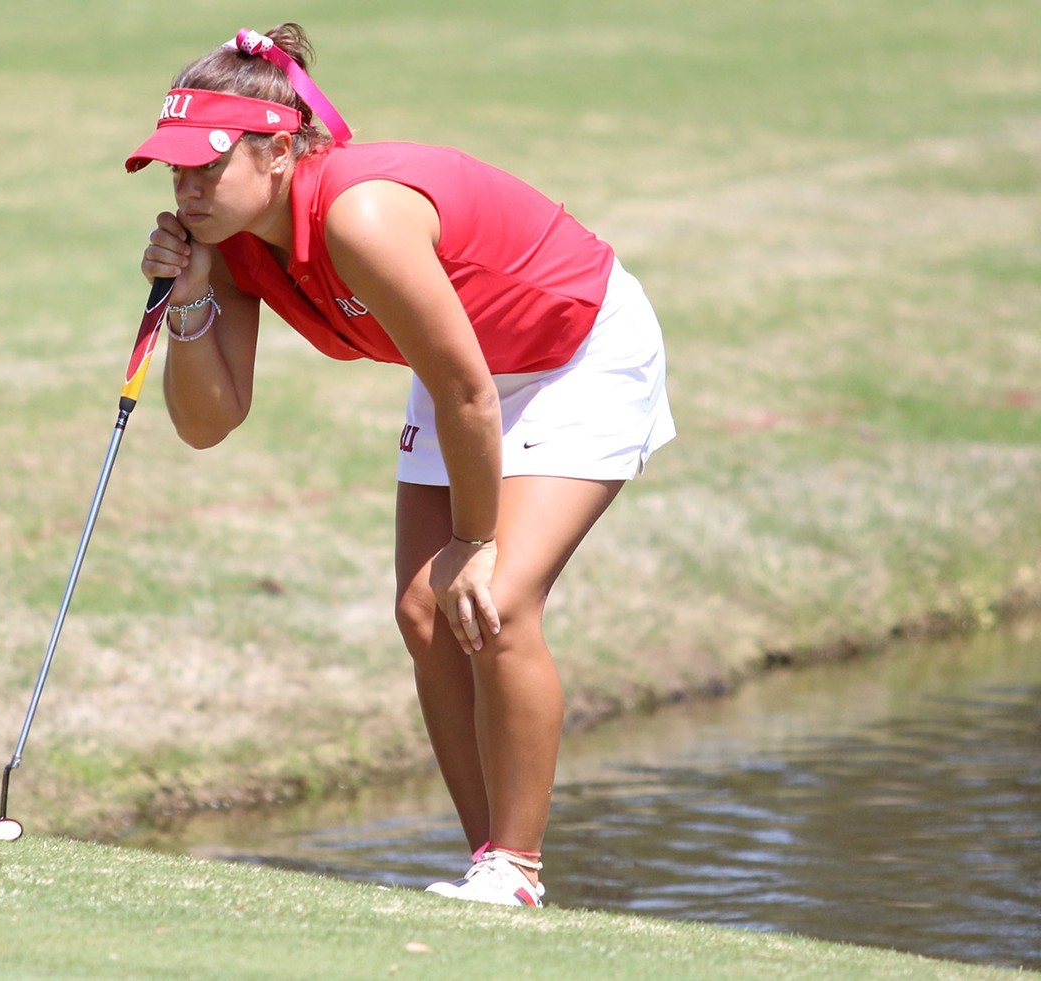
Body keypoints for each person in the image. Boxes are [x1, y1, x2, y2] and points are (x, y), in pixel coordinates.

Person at [128, 24, 674, 907]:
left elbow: (466, 391)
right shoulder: (227, 242)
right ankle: (489, 862)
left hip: (576, 350)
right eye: (173, 171)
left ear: (276, 152)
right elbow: (208, 421)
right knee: (425, 614)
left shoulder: (361, 213)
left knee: (492, 599)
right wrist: (189, 300)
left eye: (205, 168)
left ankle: (517, 870)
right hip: (468, 370)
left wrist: (476, 539)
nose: (185, 190)